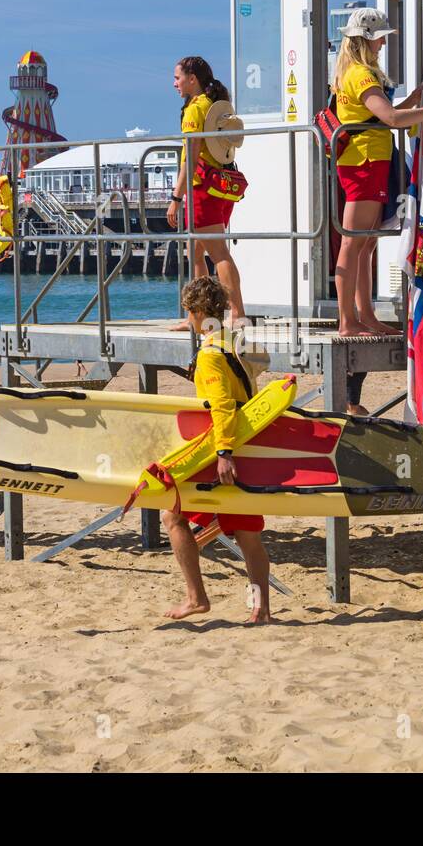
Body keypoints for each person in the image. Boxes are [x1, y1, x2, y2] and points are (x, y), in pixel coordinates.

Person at [332, 7, 423, 336]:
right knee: (353, 242)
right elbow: (392, 120)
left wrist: (412, 101)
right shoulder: (362, 75)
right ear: (365, 41)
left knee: (364, 243)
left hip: (365, 161)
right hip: (365, 163)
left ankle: (363, 317)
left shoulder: (351, 73)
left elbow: (378, 115)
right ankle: (349, 321)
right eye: (380, 39)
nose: (383, 44)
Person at [161, 276, 272, 624]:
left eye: (188, 313)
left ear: (195, 312)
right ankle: (261, 609)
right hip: (249, 442)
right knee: (249, 537)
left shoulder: (209, 354)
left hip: (222, 448)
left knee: (172, 516)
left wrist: (223, 453)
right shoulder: (233, 340)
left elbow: (221, 405)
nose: (189, 320)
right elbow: (263, 362)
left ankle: (196, 598)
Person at [167, 56, 247, 329]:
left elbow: (191, 155)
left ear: (192, 79)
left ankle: (237, 314)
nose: (174, 83)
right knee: (195, 252)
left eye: (177, 78)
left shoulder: (194, 109)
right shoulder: (215, 104)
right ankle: (199, 317)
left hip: (203, 188)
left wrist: (176, 197)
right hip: (221, 187)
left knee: (218, 254)